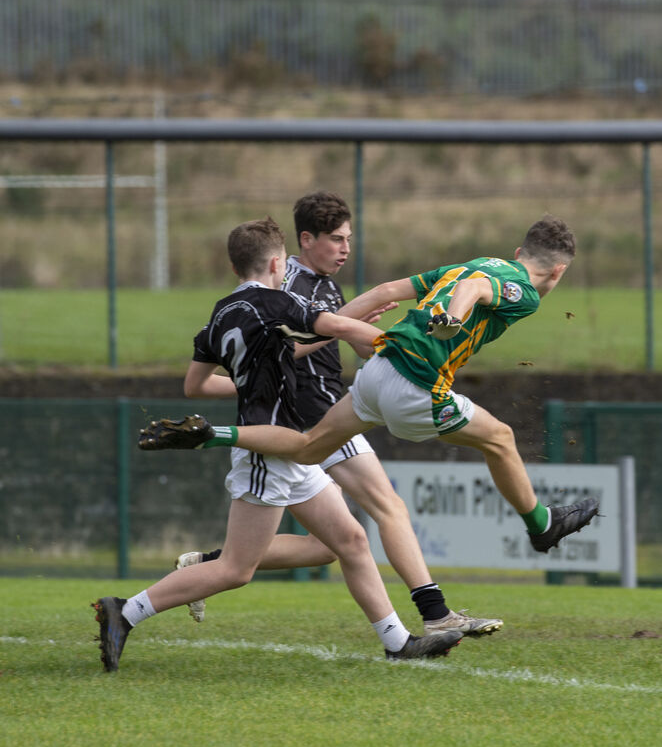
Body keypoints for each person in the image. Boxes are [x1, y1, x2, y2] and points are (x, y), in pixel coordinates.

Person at [93, 218, 462, 672]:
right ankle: (125, 611)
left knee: (348, 539)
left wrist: (250, 389)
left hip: (291, 445)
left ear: (234, 264)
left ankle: (397, 642)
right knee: (235, 570)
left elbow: (197, 385)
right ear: (275, 262)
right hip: (269, 449)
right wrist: (404, 348)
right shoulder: (278, 301)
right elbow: (343, 330)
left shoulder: (223, 311)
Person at [138, 215, 599, 558]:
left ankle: (209, 435)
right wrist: (450, 318)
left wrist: (320, 333)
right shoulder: (523, 288)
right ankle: (540, 527)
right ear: (557, 272)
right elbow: (478, 289)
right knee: (500, 439)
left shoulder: (474, 262)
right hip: (417, 383)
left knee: (307, 448)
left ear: (518, 251)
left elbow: (383, 293)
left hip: (375, 372)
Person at [175, 191, 502, 639]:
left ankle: (206, 566)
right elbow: (290, 348)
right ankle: (435, 613)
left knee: (330, 546)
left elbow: (330, 339)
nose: (345, 248)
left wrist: (360, 335)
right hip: (312, 411)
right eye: (336, 239)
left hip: (327, 402)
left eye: (349, 238)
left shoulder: (326, 284)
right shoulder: (284, 282)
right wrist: (361, 326)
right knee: (388, 506)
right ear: (305, 241)